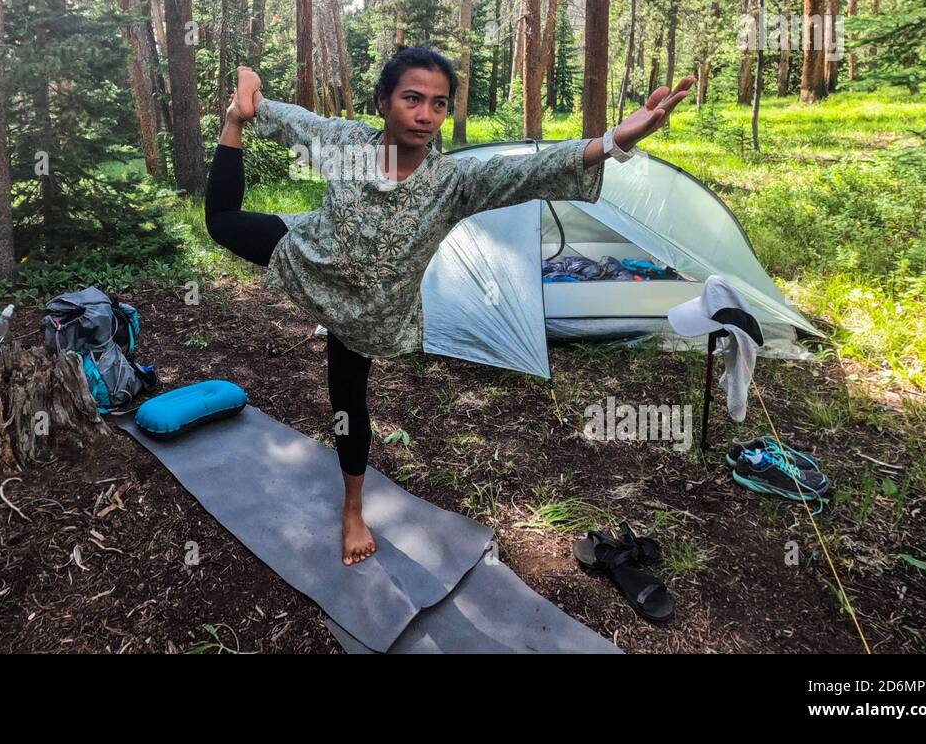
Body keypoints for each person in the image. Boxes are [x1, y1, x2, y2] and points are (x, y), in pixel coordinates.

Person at [205, 46, 694, 565]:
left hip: (366, 316)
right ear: (383, 101)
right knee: (222, 223)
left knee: (348, 406)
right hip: (310, 254)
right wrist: (251, 109)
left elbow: (532, 169)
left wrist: (613, 142)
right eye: (412, 99)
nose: (425, 116)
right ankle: (233, 117)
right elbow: (297, 122)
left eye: (439, 104)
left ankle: (353, 510)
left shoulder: (452, 184)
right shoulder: (345, 144)